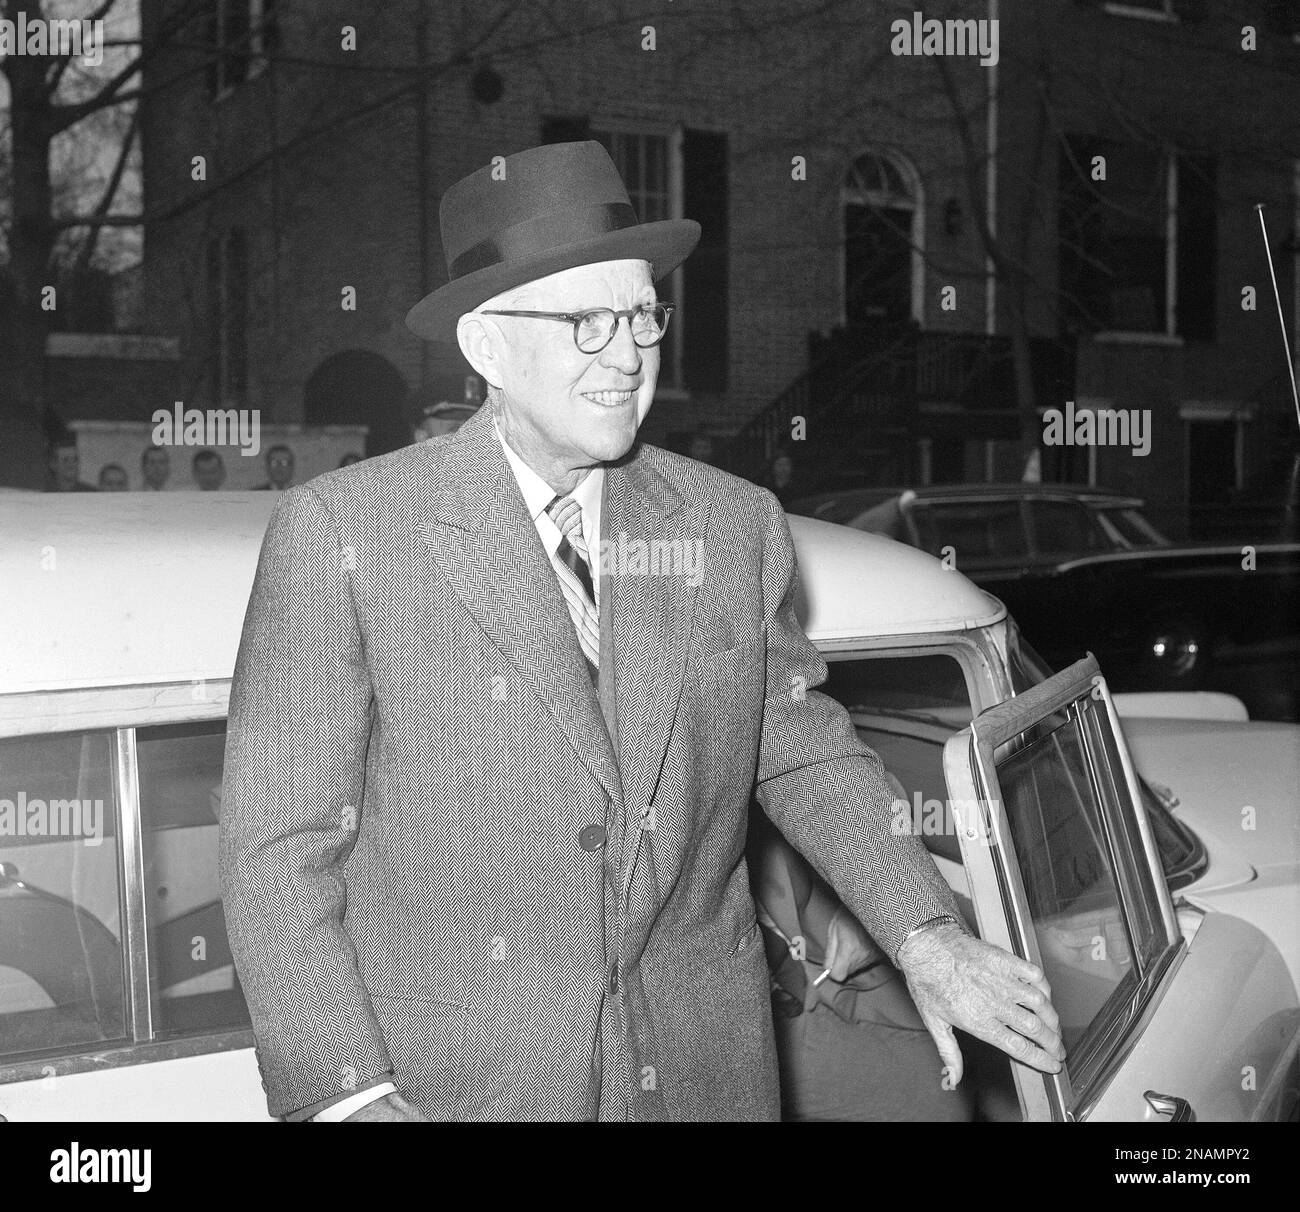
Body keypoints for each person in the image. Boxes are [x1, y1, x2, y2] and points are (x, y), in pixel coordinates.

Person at [220, 141, 1062, 1123]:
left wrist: (926, 936)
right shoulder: (343, 534)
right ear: (487, 346)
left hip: (703, 1080)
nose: (627, 355)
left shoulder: (731, 522)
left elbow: (794, 747)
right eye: (585, 321)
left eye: (641, 315)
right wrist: (345, 1096)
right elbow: (278, 853)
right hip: (459, 1093)